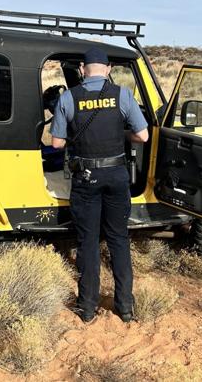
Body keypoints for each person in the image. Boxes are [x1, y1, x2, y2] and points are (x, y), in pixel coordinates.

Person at [50, 47, 149, 323]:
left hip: (85, 178)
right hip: (116, 175)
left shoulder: (68, 98)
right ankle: (125, 308)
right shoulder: (123, 95)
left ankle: (88, 308)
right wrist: (122, 133)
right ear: (107, 70)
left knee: (88, 243)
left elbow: (56, 143)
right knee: (118, 240)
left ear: (83, 69)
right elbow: (142, 135)